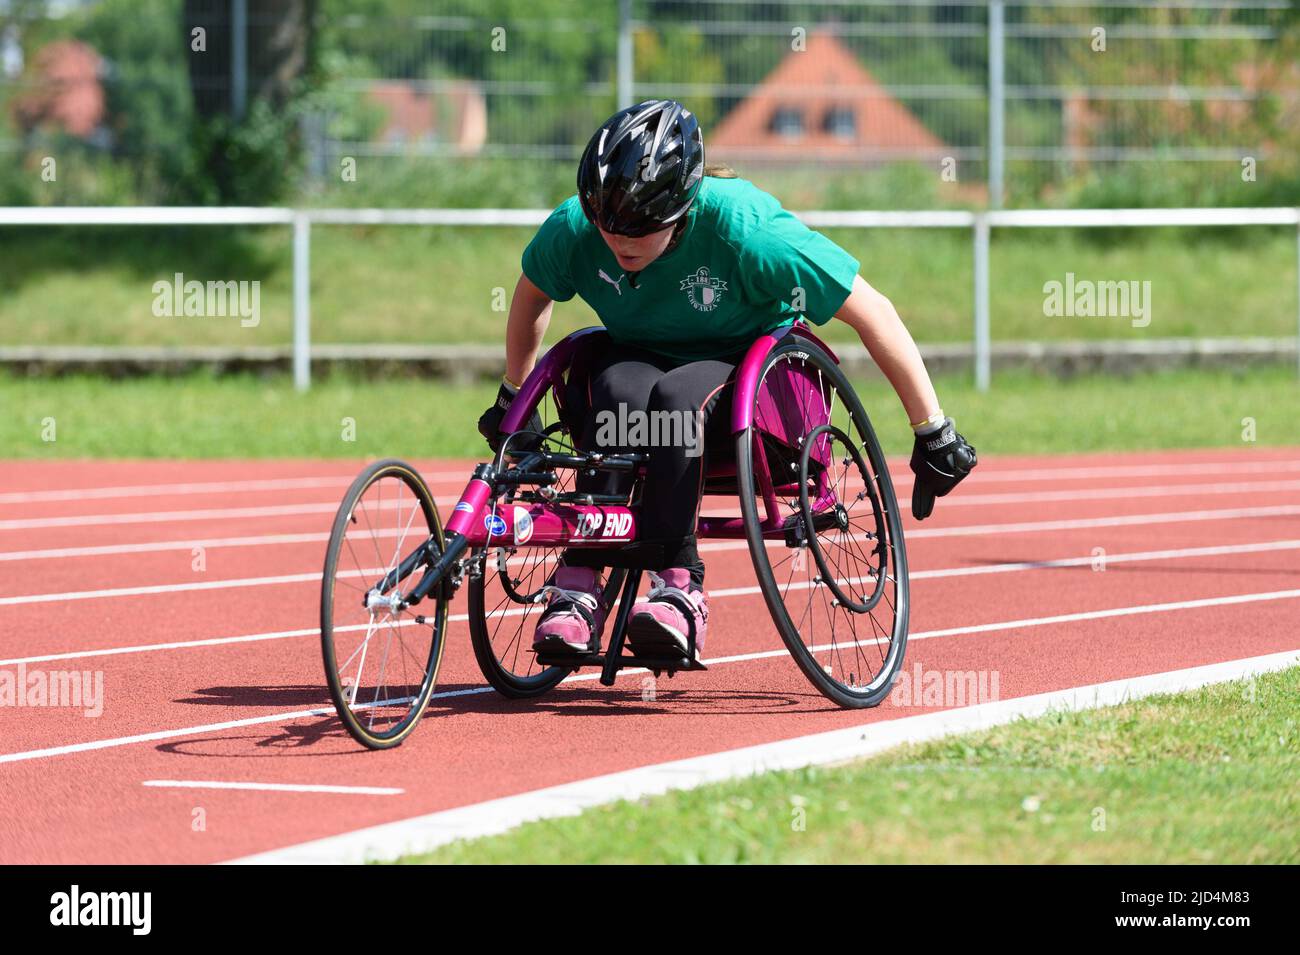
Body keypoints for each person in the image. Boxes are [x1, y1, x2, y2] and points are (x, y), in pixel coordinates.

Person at [478, 99, 976, 661]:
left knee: (675, 400)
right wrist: (514, 395)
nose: (619, 241)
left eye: (640, 227)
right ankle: (579, 585)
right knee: (616, 392)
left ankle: (678, 587)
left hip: (754, 380)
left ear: (683, 208)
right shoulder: (577, 226)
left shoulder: (748, 231)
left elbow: (872, 310)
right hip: (640, 358)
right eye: (606, 224)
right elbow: (532, 293)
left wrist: (933, 429)